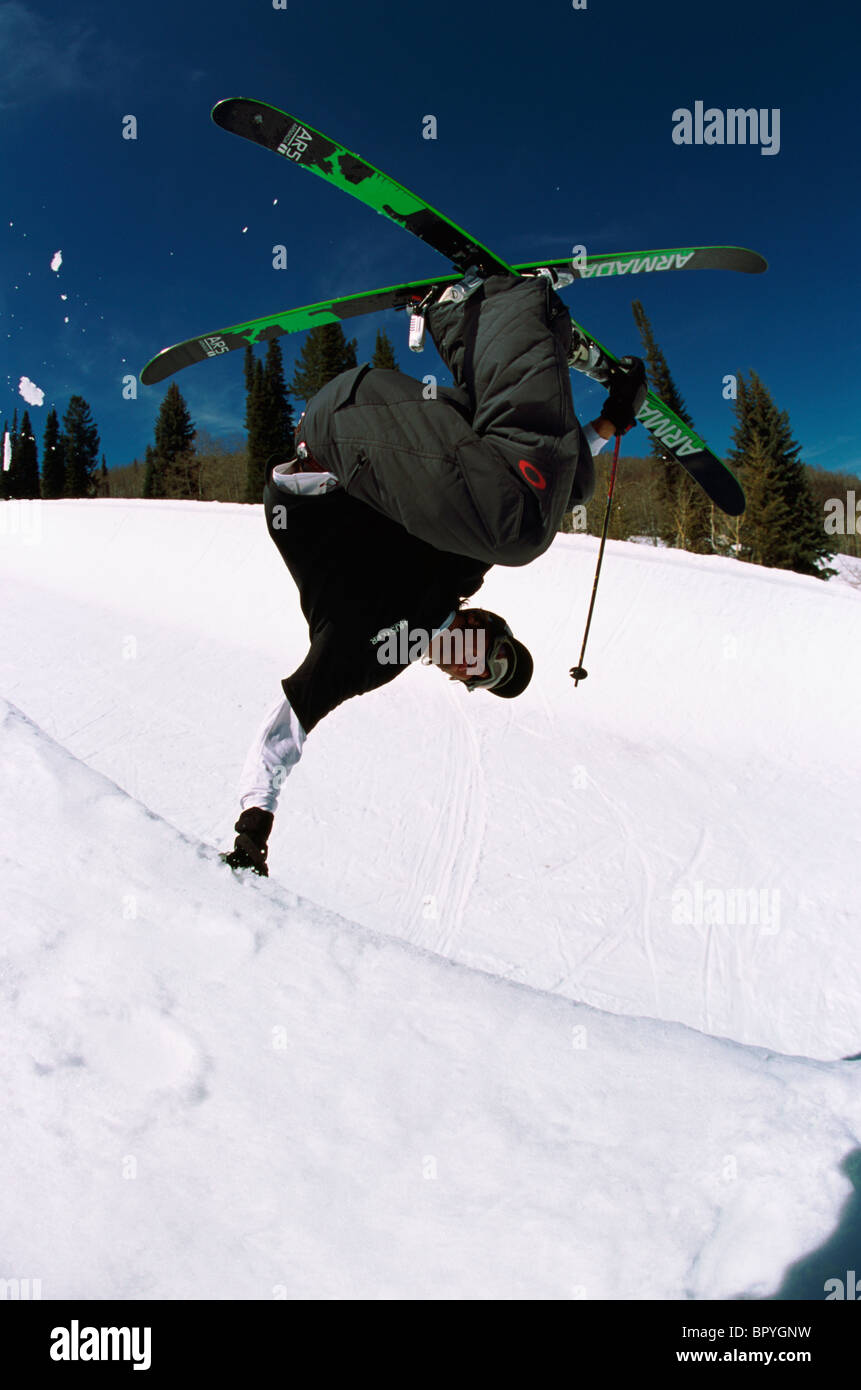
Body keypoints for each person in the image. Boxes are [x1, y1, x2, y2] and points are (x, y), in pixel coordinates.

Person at [223, 270, 646, 875]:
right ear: (484, 623)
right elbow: (543, 476)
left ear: (456, 677)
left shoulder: (383, 649)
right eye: (494, 654)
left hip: (329, 453)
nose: (477, 663)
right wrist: (610, 423)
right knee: (545, 504)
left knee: (521, 528)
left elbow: (290, 723)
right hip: (376, 427)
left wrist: (254, 823)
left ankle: (494, 309)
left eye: (483, 677)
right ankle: (477, 317)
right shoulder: (462, 566)